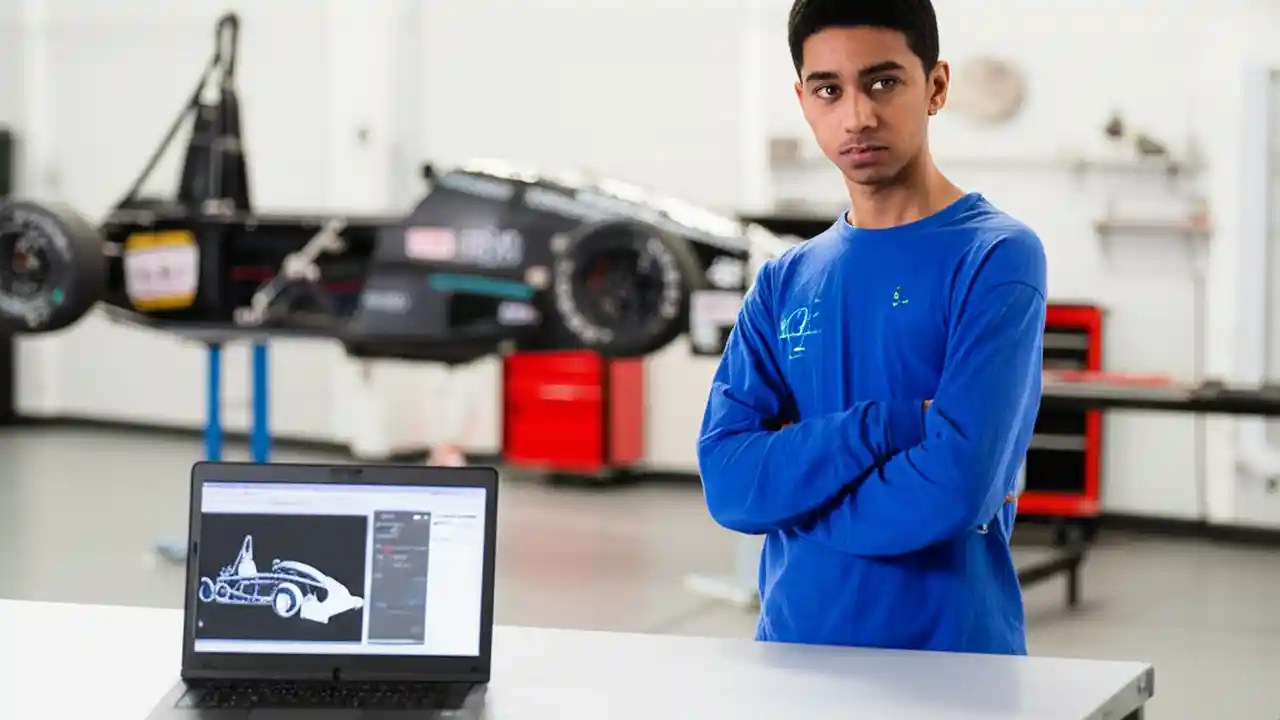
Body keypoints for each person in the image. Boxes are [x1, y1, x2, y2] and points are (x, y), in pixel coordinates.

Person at [696, 0, 1046, 656]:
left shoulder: (996, 257)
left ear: (936, 86)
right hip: (793, 658)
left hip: (950, 669)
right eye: (829, 90)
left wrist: (795, 505)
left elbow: (954, 490)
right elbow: (729, 480)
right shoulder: (785, 280)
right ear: (803, 100)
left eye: (883, 82)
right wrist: (894, 425)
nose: (856, 115)